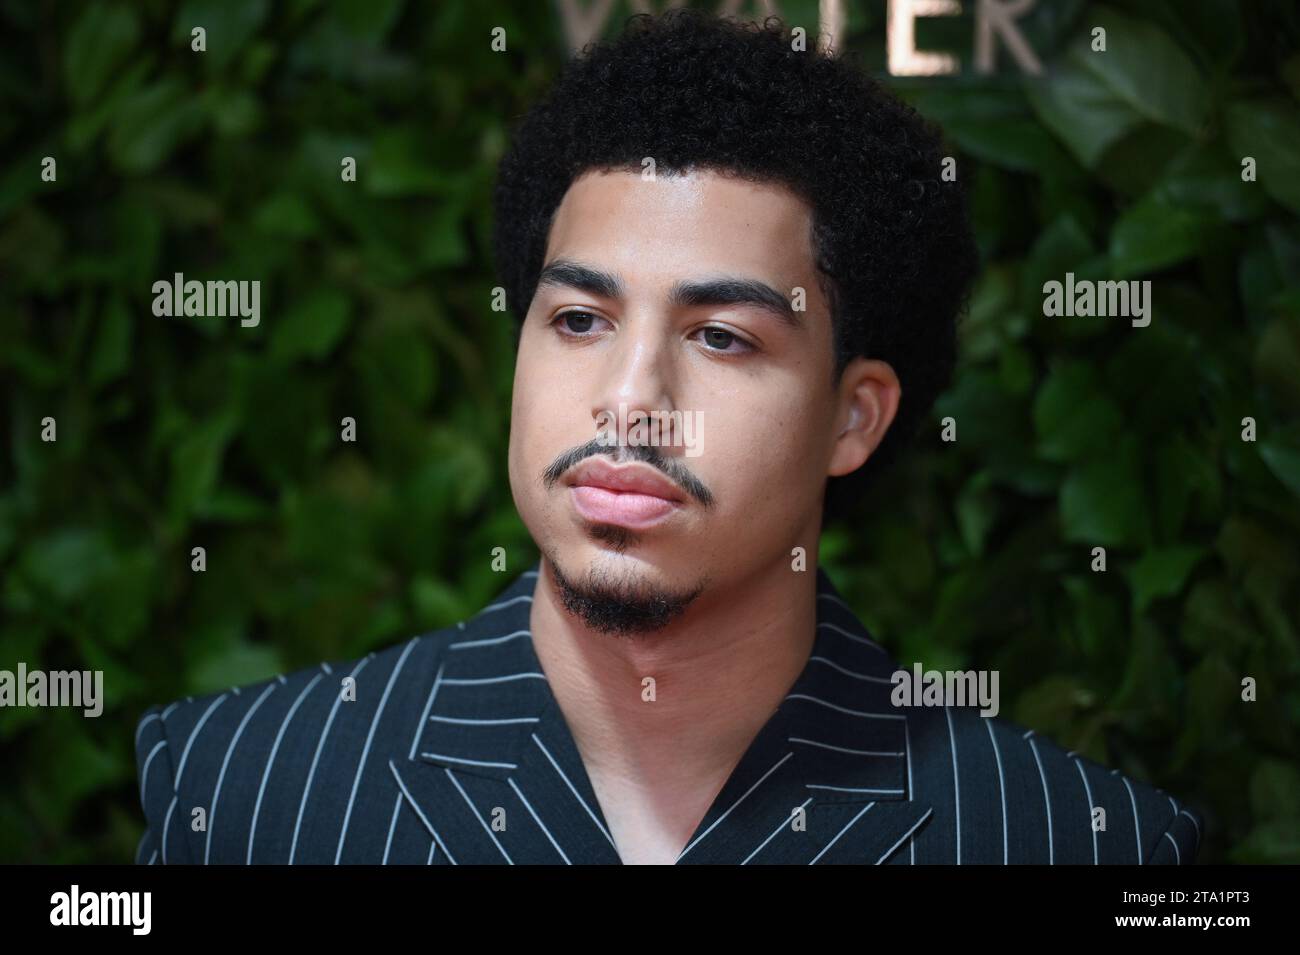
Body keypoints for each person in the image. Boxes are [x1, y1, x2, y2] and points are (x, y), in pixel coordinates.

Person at [133, 9, 1201, 865]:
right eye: (580, 320)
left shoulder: (1070, 841)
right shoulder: (245, 786)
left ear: (853, 414)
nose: (630, 398)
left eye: (723, 336)